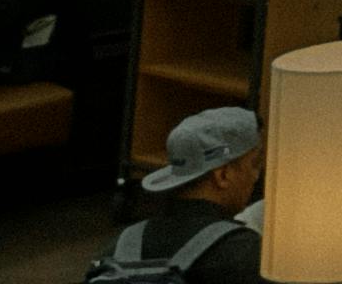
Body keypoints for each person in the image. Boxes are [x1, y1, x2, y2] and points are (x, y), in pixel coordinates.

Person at [98, 104, 267, 284]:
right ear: (223, 175)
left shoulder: (120, 245)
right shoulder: (245, 253)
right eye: (254, 164)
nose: (256, 175)